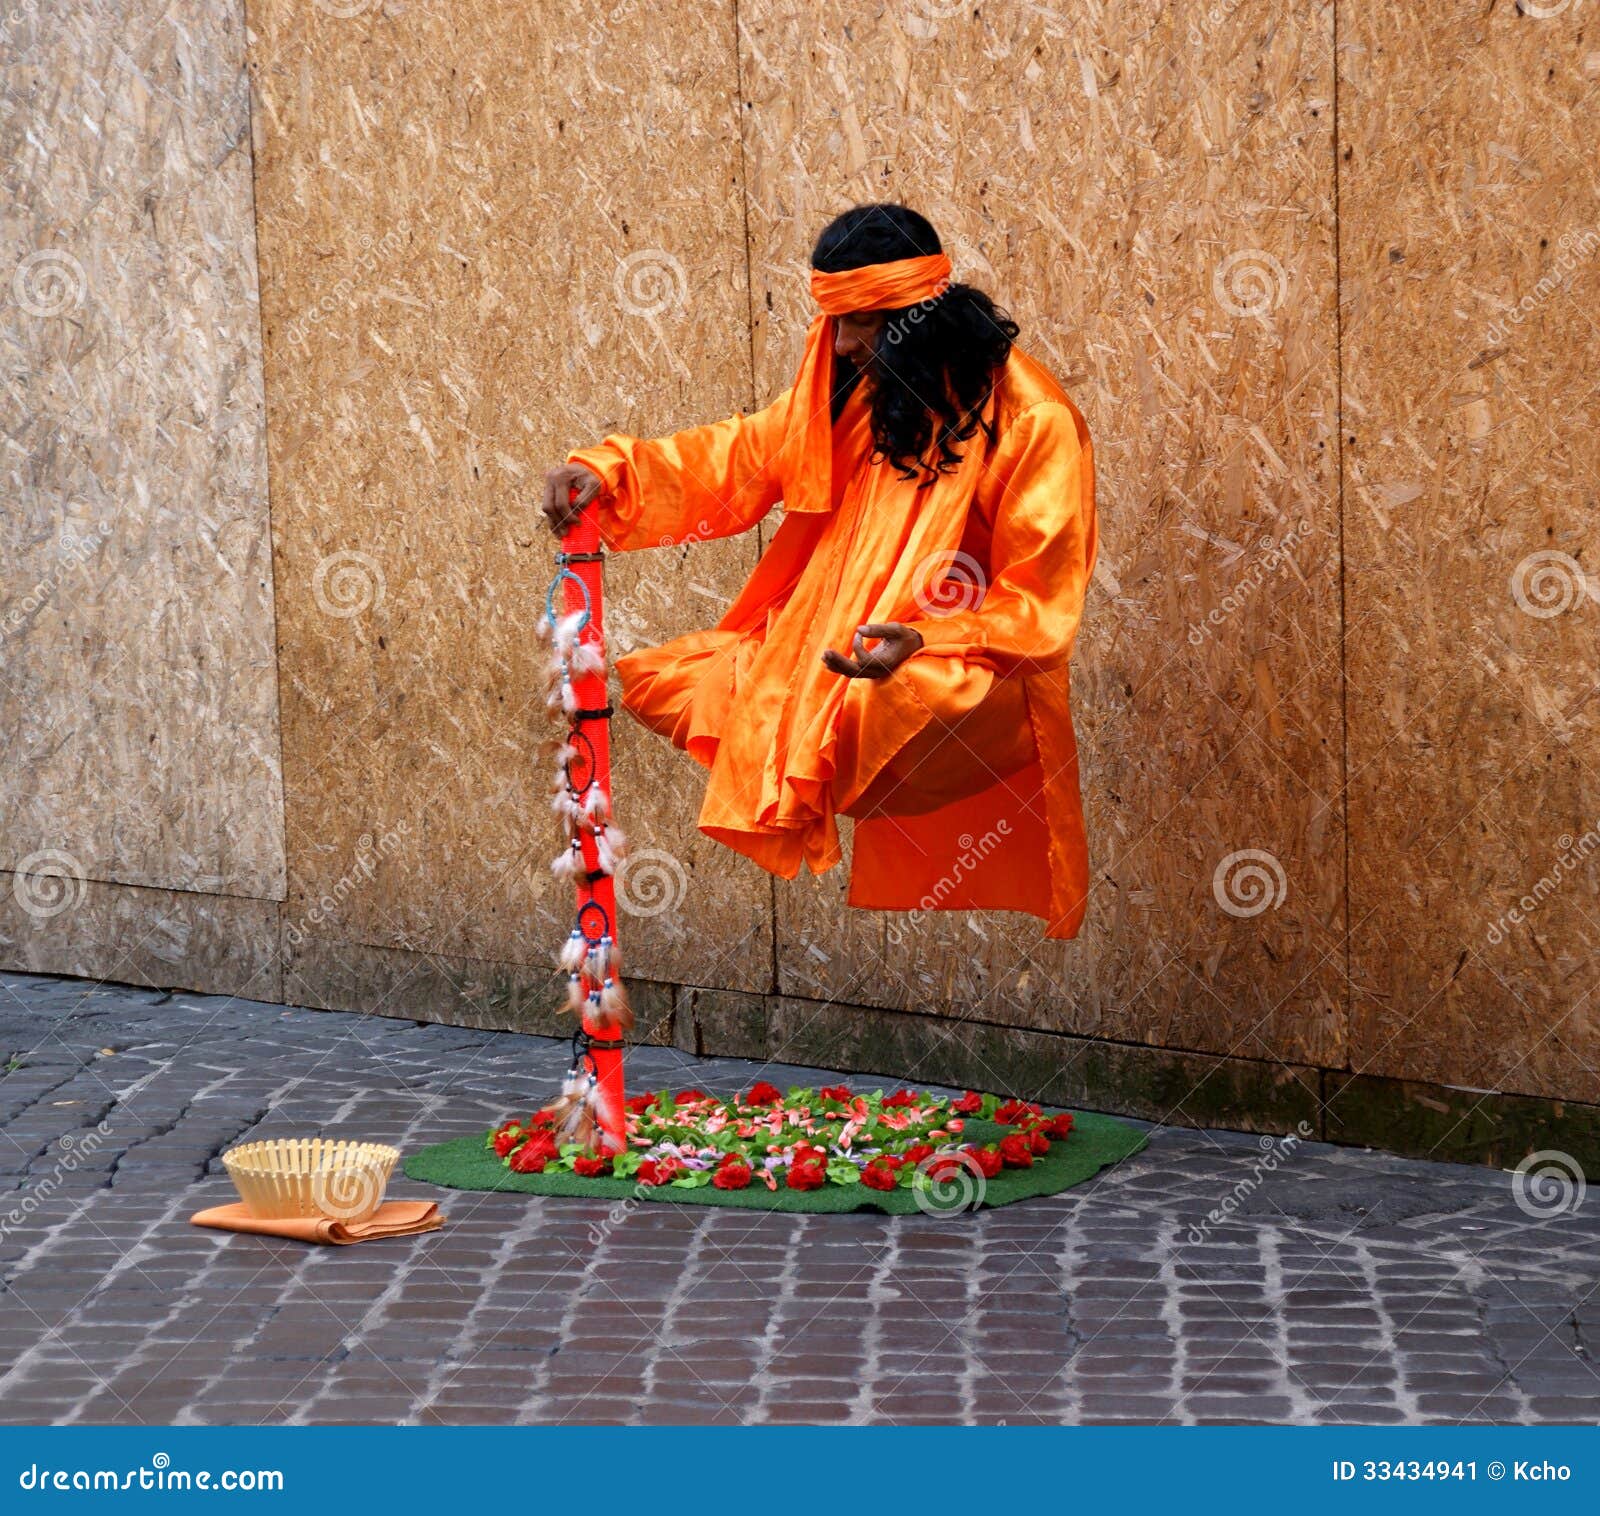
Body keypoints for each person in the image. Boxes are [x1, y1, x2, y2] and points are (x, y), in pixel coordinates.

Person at [542, 203, 1096, 939]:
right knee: (694, 683)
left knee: (880, 703)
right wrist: (608, 472)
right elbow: (739, 458)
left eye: (863, 322)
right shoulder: (855, 391)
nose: (843, 342)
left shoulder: (1032, 419)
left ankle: (863, 708)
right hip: (835, 653)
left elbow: (1042, 606)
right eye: (834, 321)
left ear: (919, 310)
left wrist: (930, 642)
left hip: (963, 678)